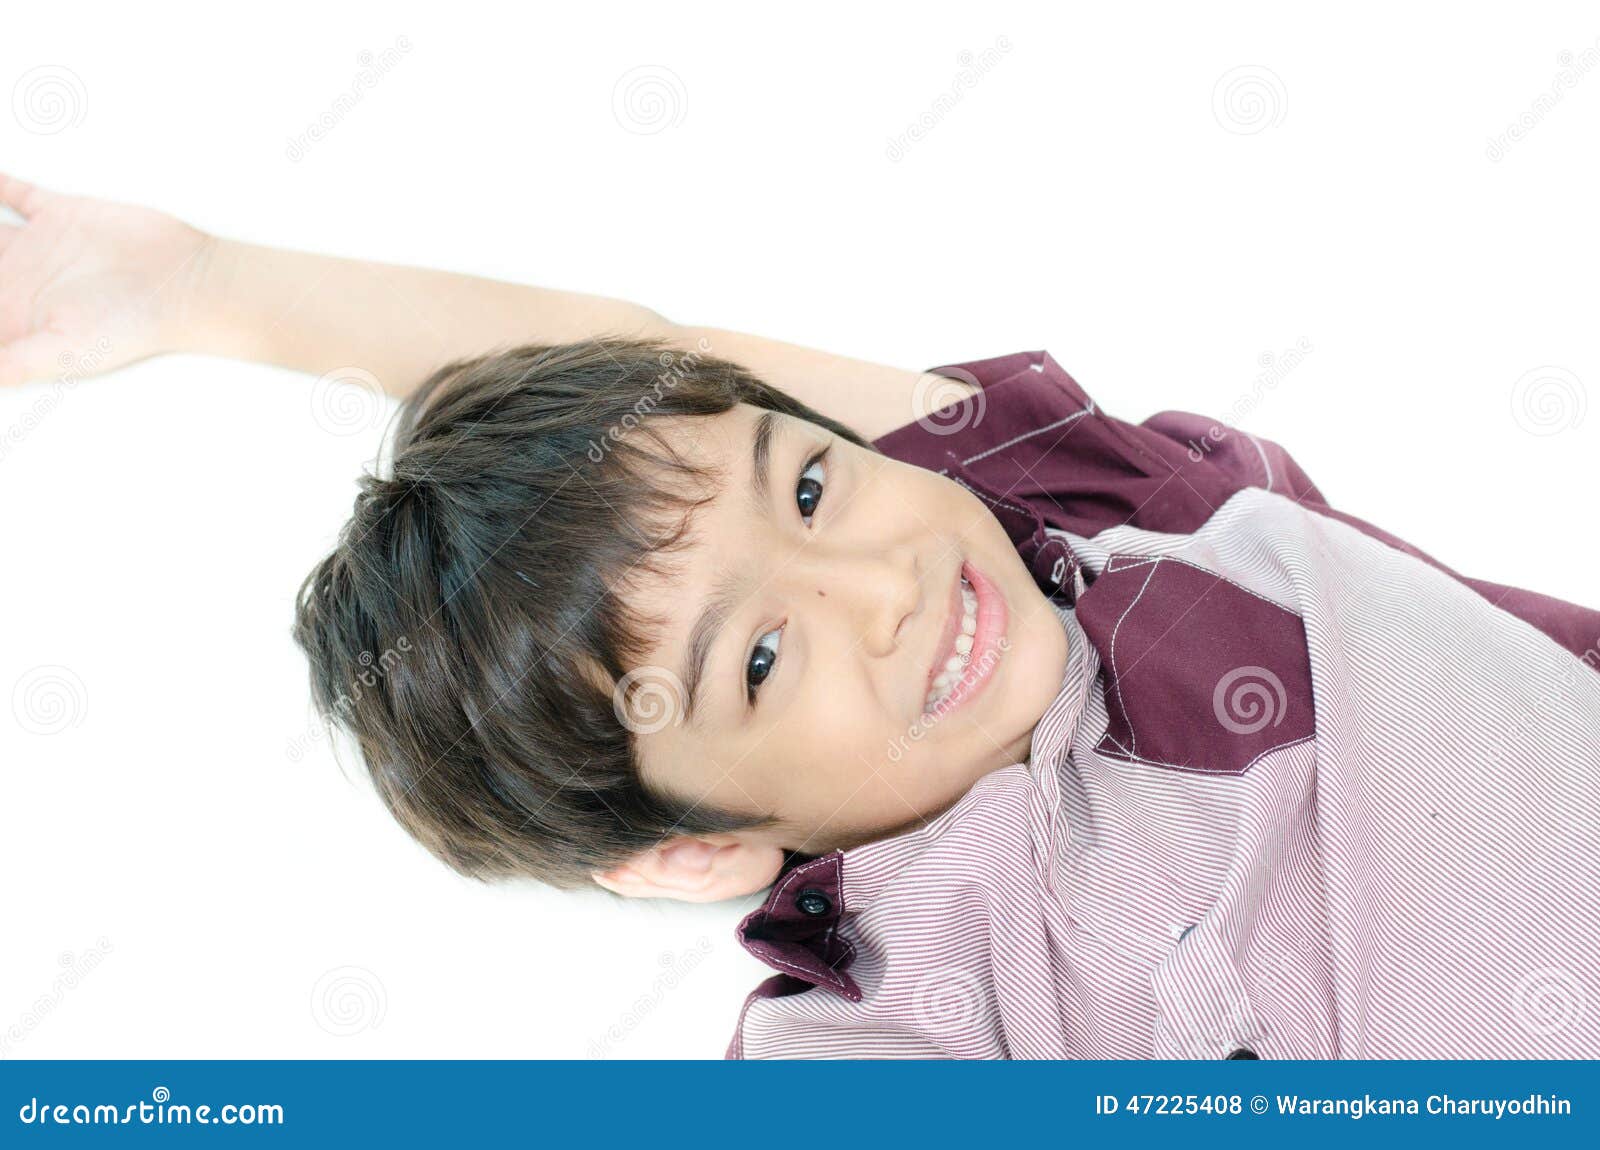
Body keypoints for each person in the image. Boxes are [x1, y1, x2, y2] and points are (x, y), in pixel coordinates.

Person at [4, 174, 1597, 1059]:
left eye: (819, 490)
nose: (882, 583)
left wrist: (204, 292)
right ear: (691, 846)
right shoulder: (876, 1027)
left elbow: (661, 354)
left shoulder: (1105, 515)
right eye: (760, 659)